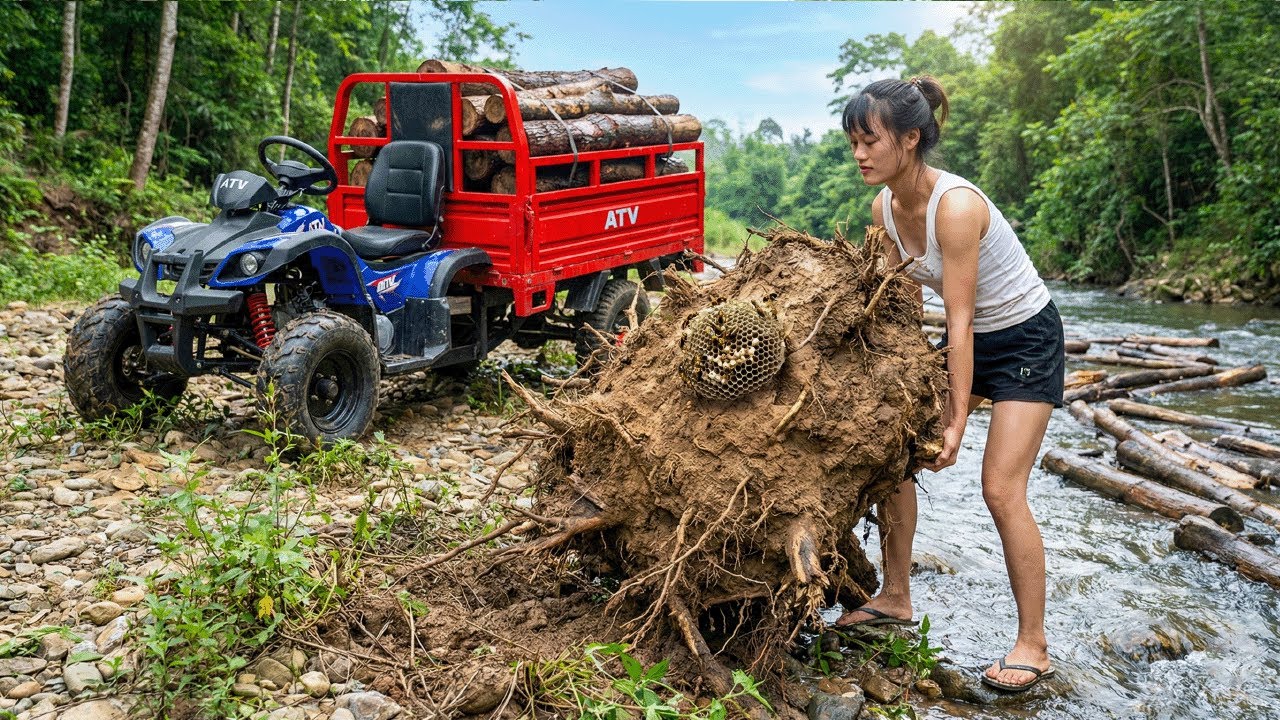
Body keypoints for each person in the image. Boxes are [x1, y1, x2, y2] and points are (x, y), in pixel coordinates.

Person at [832, 75, 1065, 693]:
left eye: (869, 140)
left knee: (999, 486)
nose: (859, 154)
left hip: (1022, 337)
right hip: (972, 339)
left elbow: (959, 323)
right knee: (895, 454)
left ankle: (1032, 643)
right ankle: (896, 596)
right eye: (853, 141)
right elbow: (900, 310)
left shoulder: (956, 206)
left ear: (910, 139)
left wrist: (956, 421)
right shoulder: (882, 208)